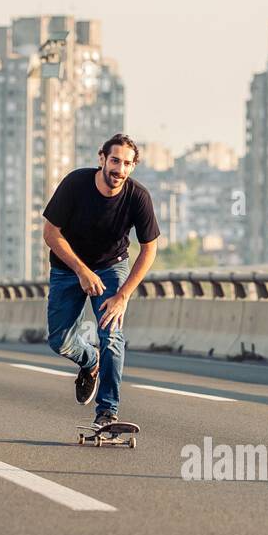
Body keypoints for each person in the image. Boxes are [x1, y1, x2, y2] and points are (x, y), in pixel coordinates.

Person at [41, 133, 160, 428]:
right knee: (60, 341)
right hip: (68, 268)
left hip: (111, 268)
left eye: (127, 164)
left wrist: (123, 296)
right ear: (102, 159)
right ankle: (89, 362)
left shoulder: (138, 197)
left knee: (112, 338)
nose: (119, 169)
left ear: (133, 167)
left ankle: (107, 411)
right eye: (115, 160)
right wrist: (82, 271)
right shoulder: (76, 183)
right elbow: (50, 233)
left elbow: (149, 249)